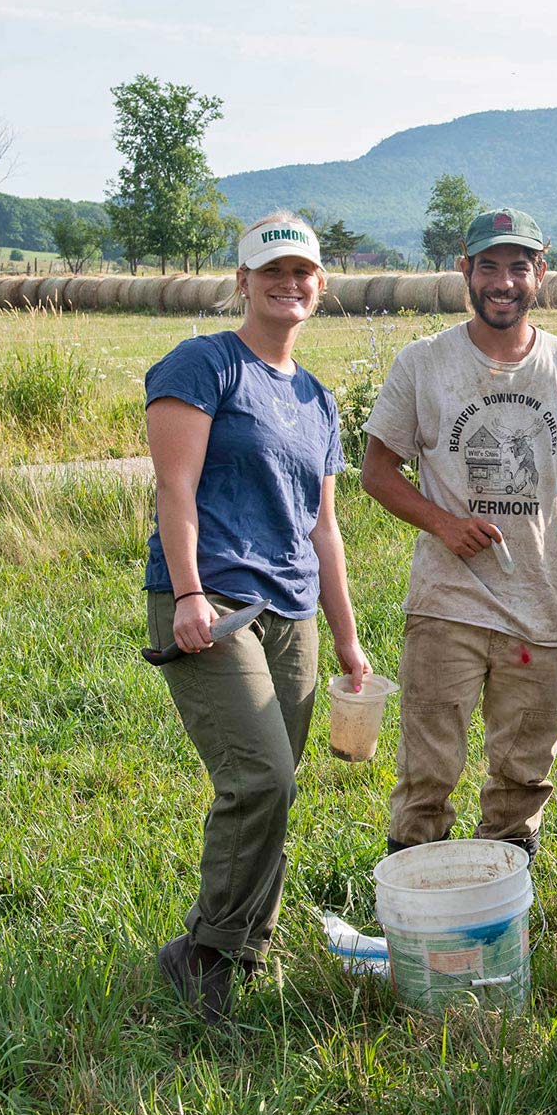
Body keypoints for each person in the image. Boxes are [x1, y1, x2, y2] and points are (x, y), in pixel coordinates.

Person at [146, 212, 370, 1024]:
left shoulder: (317, 398)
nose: (289, 283)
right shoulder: (204, 365)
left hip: (294, 609)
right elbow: (176, 488)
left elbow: (323, 527)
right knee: (259, 777)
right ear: (242, 280)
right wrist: (190, 592)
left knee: (276, 788)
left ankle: (249, 949)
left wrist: (345, 637)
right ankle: (204, 955)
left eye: (303, 271)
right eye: (272, 270)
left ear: (321, 284)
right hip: (213, 603)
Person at [362, 206, 557, 859]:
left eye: (518, 267)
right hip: (445, 606)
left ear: (541, 273)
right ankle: (418, 923)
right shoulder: (424, 364)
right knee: (427, 778)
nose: (502, 282)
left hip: (538, 609)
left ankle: (499, 915)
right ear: (465, 271)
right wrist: (443, 523)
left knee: (521, 781)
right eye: (488, 267)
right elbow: (376, 471)